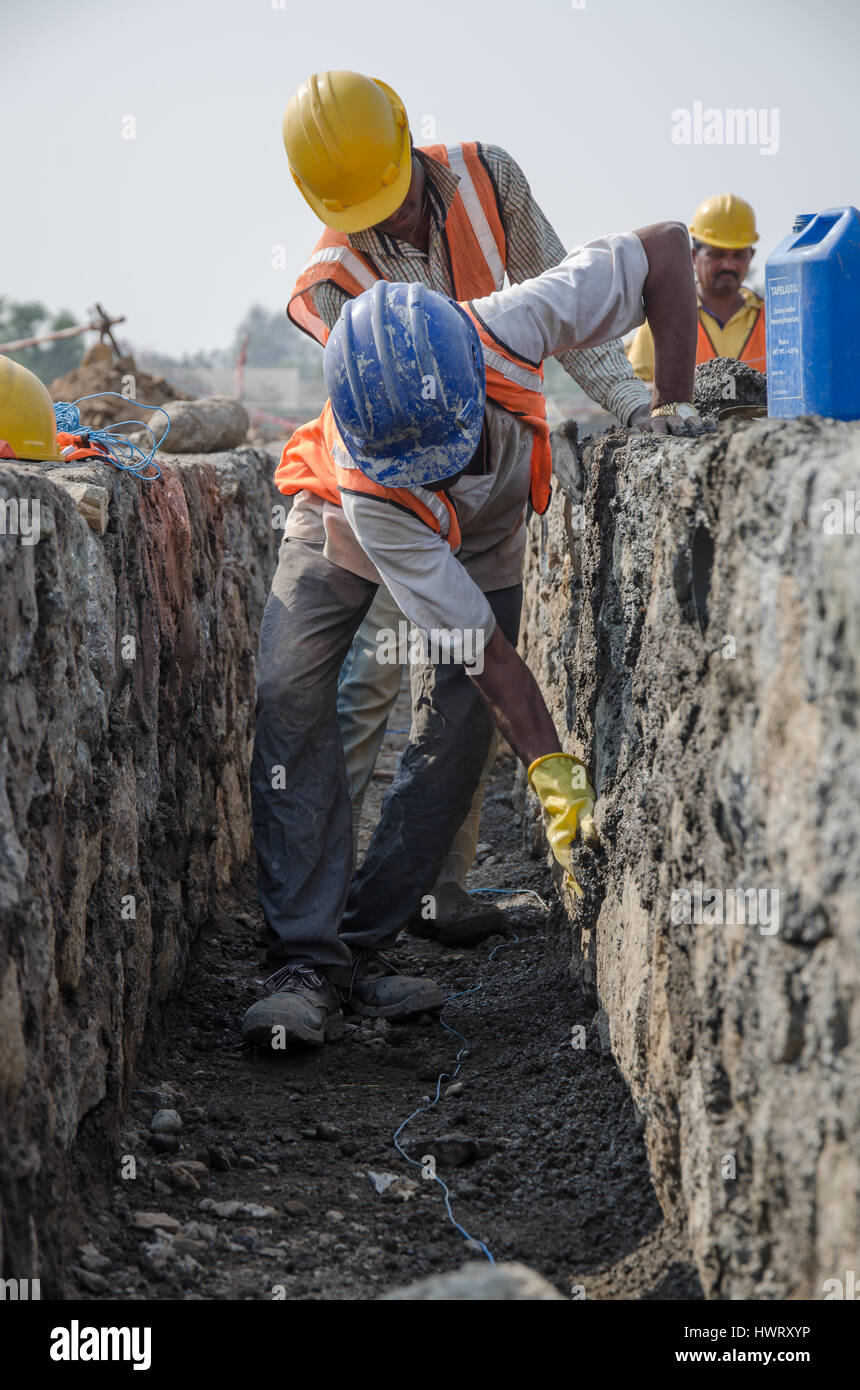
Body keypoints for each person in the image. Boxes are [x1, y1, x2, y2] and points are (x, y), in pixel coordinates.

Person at [242, 219, 700, 1049]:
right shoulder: (381, 493)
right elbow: (490, 655)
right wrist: (554, 771)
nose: (443, 465)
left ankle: (360, 945)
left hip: (481, 535)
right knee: (291, 691)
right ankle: (302, 963)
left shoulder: (511, 321)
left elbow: (666, 248)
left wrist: (674, 407)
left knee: (457, 731)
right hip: (345, 521)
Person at [282, 68, 658, 944]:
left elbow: (568, 304)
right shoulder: (329, 278)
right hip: (377, 487)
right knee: (359, 693)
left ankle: (432, 899)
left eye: (396, 199)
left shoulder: (490, 179)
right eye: (365, 212)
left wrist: (642, 407)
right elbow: (370, 407)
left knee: (456, 697)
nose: (390, 222)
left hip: (485, 463)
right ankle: (320, 925)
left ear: (412, 143)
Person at [628, 193, 765, 382]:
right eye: (717, 255)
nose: (728, 265)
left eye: (739, 255)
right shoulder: (664, 317)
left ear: (751, 255)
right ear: (693, 256)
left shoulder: (772, 319)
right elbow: (637, 388)